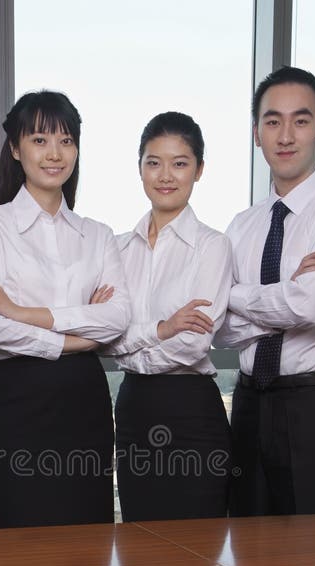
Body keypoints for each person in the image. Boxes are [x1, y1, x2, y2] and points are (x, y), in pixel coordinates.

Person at [213, 66, 315, 517]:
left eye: (300, 121)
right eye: (272, 121)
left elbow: (314, 306)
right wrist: (283, 294)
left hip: (312, 407)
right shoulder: (243, 225)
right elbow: (217, 328)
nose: (285, 135)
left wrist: (236, 293)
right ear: (256, 133)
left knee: (314, 557)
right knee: (247, 555)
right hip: (246, 402)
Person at [0, 90, 131, 528]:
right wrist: (79, 337)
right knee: (22, 547)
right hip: (18, 403)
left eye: (66, 140)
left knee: (88, 543)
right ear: (16, 149)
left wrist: (23, 311)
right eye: (39, 140)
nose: (55, 153)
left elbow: (117, 320)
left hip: (84, 403)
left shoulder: (98, 234)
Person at [103, 112, 233, 522]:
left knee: (197, 555)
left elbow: (193, 342)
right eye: (153, 162)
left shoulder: (212, 247)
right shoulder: (118, 249)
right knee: (141, 548)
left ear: (199, 170)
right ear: (139, 167)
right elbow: (106, 335)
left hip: (191, 410)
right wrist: (161, 330)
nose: (166, 175)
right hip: (134, 408)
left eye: (180, 163)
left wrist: (134, 349)